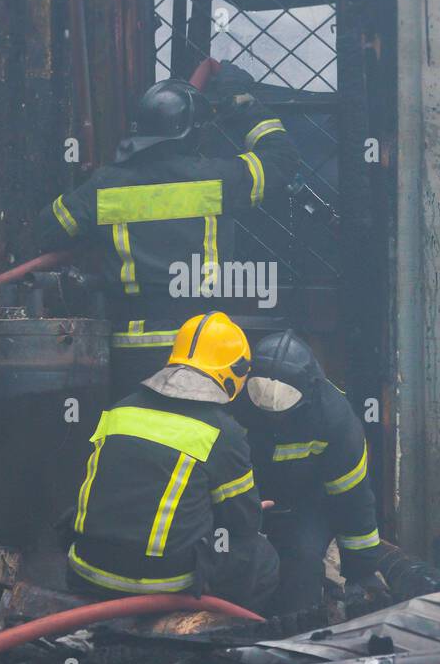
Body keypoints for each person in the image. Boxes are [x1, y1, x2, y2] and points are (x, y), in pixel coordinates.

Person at [37, 62, 298, 396]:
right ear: (193, 133)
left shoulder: (105, 187)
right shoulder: (216, 181)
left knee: (137, 426)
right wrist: (243, 106)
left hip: (130, 349)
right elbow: (281, 158)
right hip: (200, 346)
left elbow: (48, 230)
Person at [64, 310, 279, 611]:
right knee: (259, 556)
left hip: (86, 568)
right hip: (160, 583)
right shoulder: (222, 432)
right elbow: (243, 522)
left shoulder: (120, 409)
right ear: (235, 370)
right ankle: (219, 634)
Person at [240, 330, 387, 611]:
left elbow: (352, 500)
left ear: (309, 390)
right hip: (244, 504)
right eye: (267, 412)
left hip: (306, 507)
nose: (274, 419)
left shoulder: (336, 421)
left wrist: (361, 571)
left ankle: (300, 634)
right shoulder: (235, 402)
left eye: (281, 413)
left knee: (302, 564)